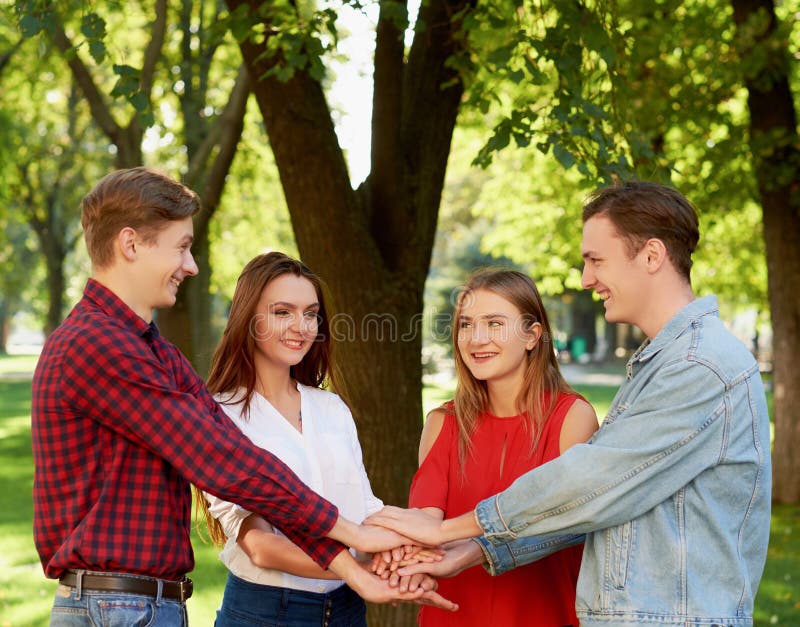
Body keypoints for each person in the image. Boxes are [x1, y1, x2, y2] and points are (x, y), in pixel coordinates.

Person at [31, 167, 454, 626]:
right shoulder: (97, 345)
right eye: (181, 247)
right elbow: (224, 461)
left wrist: (356, 566)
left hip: (139, 605)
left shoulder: (155, 352)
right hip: (116, 607)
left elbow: (248, 468)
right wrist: (354, 541)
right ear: (131, 244)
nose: (190, 266)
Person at [367, 181, 772, 627]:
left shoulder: (699, 367)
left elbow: (591, 483)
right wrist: (473, 551)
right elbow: (595, 507)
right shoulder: (663, 363)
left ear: (652, 256)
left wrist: (448, 530)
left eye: (597, 260)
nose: (585, 279)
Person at [194, 252, 439, 626]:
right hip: (266, 612)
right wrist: (360, 568)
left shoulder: (331, 408)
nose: (301, 326)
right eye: (282, 312)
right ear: (248, 318)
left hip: (347, 610)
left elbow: (364, 509)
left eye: (310, 314)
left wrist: (408, 551)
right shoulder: (219, 416)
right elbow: (260, 546)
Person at [396, 269, 598, 626]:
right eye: (466, 325)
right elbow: (426, 524)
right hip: (454, 614)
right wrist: (412, 560)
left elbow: (563, 525)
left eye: (494, 324)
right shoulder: (443, 423)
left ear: (532, 335)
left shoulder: (572, 418)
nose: (476, 339)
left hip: (543, 614)